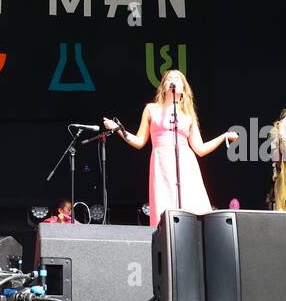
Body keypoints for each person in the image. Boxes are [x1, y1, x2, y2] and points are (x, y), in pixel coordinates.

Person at [102, 70, 237, 226]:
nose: (173, 81)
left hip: (186, 164)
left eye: (177, 79)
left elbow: (200, 149)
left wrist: (223, 136)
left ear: (184, 89)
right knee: (164, 209)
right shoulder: (151, 109)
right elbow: (139, 142)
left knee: (191, 208)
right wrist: (118, 129)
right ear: (163, 86)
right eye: (169, 79)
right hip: (162, 165)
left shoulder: (188, 115)